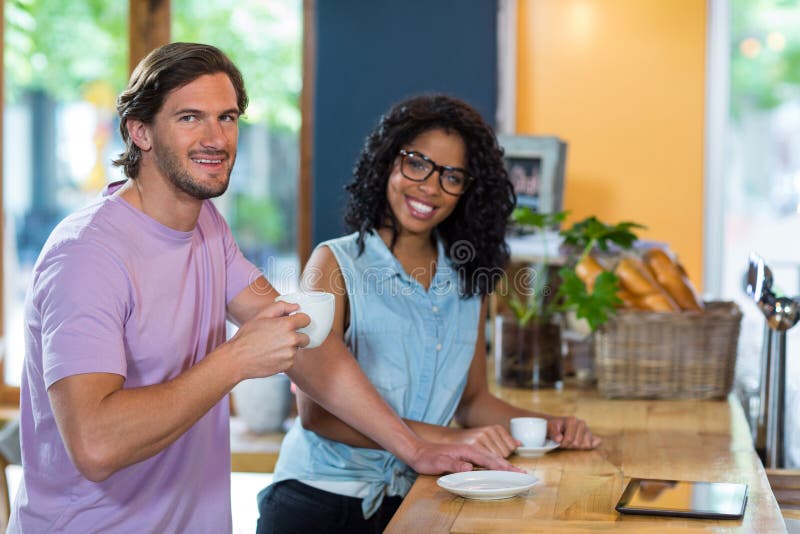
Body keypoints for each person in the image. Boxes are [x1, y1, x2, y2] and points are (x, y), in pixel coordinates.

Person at [7, 44, 514, 533]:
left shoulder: (207, 227)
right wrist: (235, 359)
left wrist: (414, 448)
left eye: (227, 118)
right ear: (139, 131)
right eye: (190, 118)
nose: (216, 137)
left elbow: (305, 343)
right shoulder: (87, 254)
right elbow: (95, 445)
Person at [257, 95, 602, 534]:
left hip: (422, 498)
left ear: (467, 189)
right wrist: (449, 439)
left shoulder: (469, 278)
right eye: (417, 163)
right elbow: (317, 414)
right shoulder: (334, 264)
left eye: (452, 176)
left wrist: (547, 428)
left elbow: (472, 401)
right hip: (321, 500)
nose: (430, 187)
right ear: (387, 162)